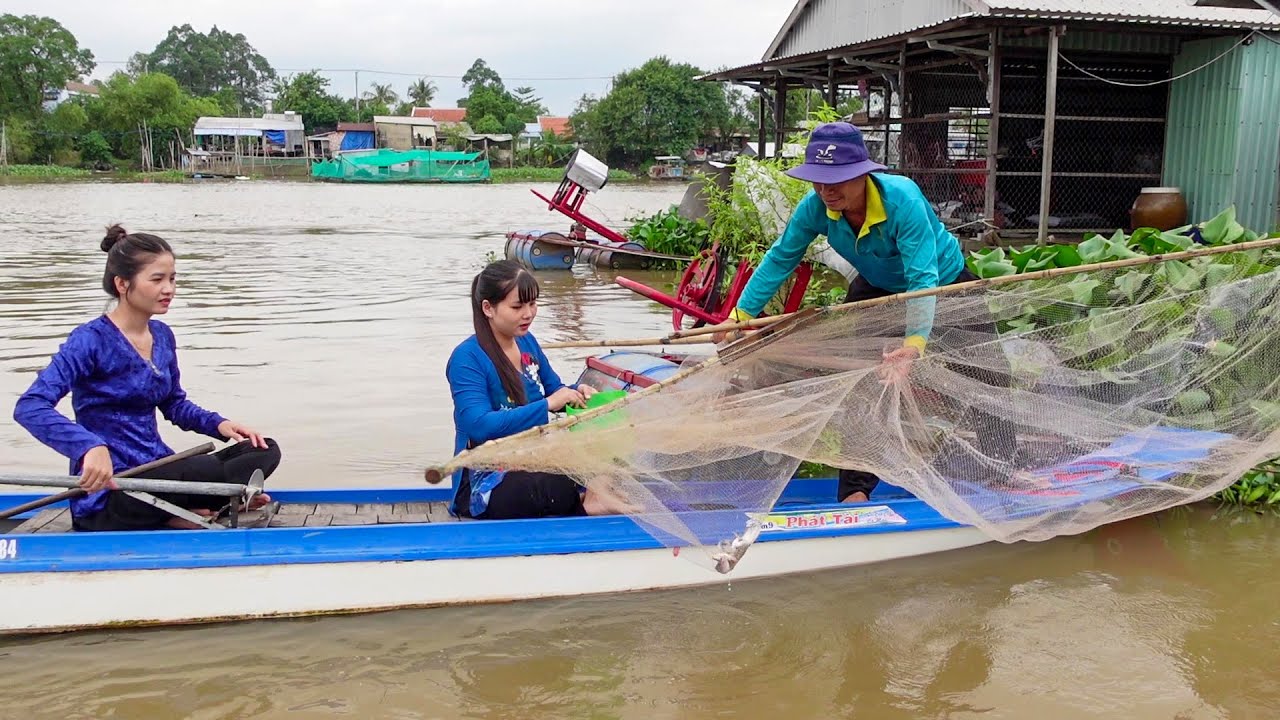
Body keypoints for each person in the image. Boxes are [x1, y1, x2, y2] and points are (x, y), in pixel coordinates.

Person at [714, 122, 1012, 504]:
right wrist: (739, 317)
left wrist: (914, 343)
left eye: (836, 179)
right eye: (818, 181)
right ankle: (856, 490)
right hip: (876, 286)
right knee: (861, 380)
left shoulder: (902, 200)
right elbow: (779, 260)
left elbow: (923, 277)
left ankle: (1003, 472)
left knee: (993, 371)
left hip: (946, 283)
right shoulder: (815, 208)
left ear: (864, 173)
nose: (826, 190)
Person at [13, 225, 281, 531]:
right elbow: (30, 406)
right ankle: (204, 502)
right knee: (199, 470)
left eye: (172, 278)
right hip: (113, 491)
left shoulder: (163, 336)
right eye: (157, 280)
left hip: (161, 470)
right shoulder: (89, 340)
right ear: (122, 283)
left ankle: (197, 504)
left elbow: (173, 403)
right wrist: (88, 447)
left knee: (263, 449)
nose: (169, 289)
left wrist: (220, 425)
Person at [446, 260, 630, 519]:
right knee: (544, 486)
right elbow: (479, 425)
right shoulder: (467, 357)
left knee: (608, 436)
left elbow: (555, 389)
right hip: (486, 478)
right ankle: (588, 502)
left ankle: (593, 494)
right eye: (517, 307)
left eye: (532, 304)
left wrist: (578, 392)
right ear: (488, 308)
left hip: (534, 458)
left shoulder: (527, 342)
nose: (528, 314)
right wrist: (547, 405)